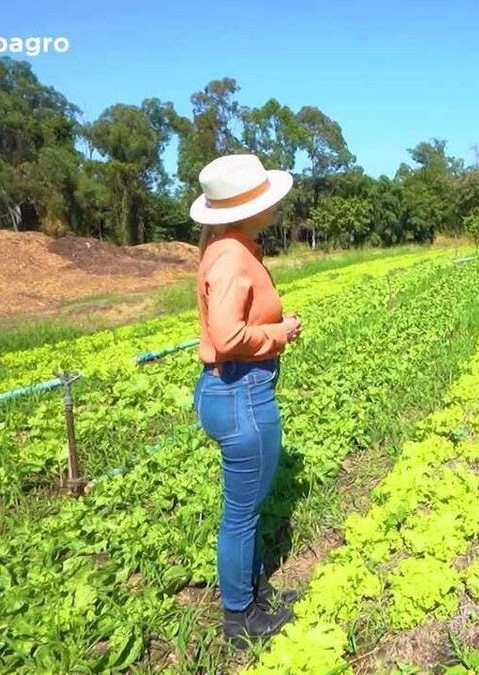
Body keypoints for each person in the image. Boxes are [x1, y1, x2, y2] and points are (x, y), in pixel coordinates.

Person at [190, 154, 303, 647]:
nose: (273, 204)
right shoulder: (234, 256)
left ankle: (256, 592)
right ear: (244, 209)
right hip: (242, 392)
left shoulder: (223, 247)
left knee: (246, 507)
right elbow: (228, 333)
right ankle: (240, 619)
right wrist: (279, 333)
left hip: (228, 389)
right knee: (241, 514)